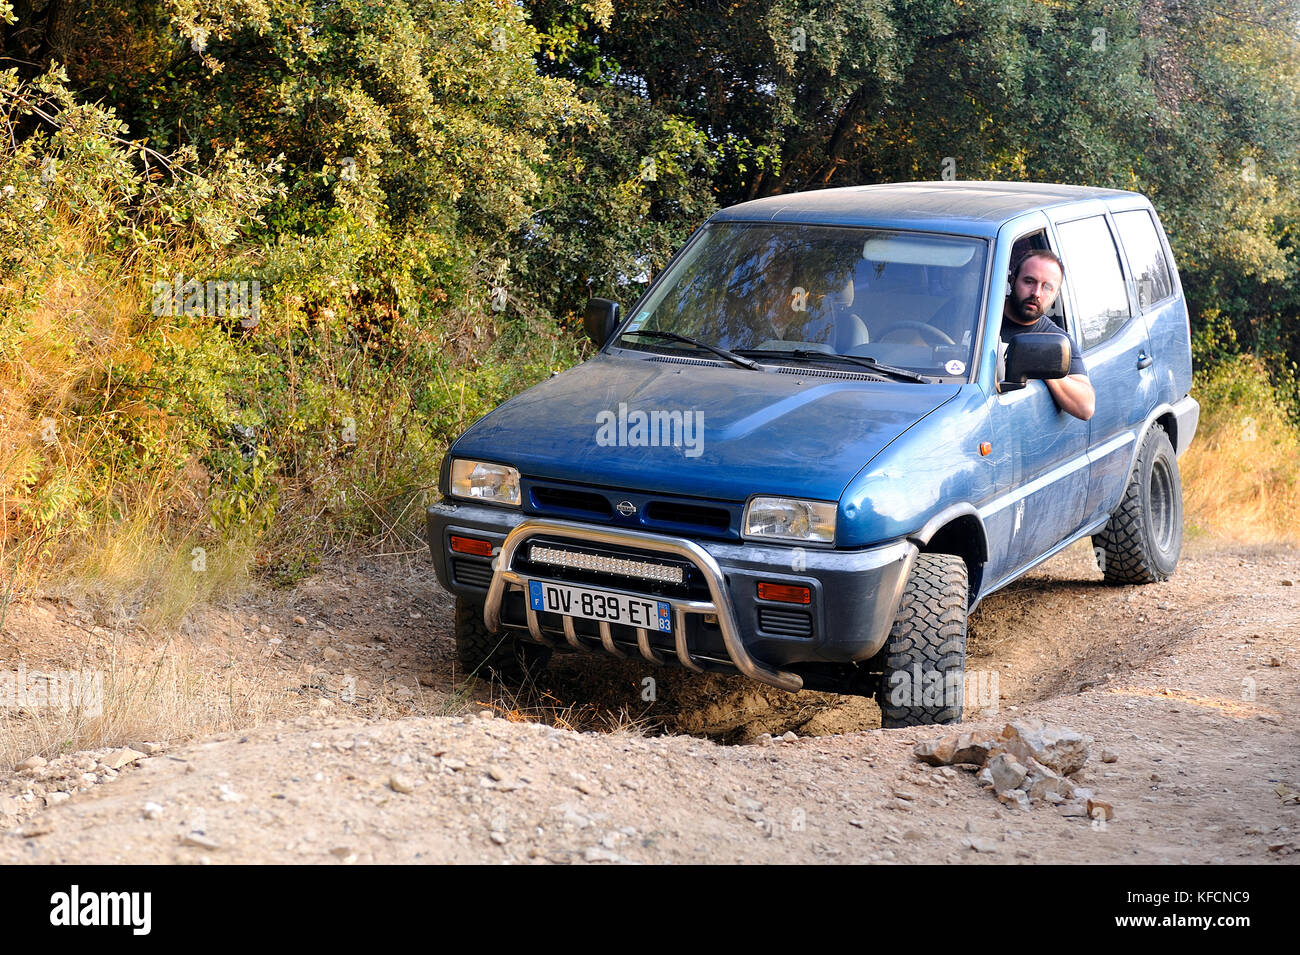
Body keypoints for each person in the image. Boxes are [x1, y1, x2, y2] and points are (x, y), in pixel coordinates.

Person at [1001, 250, 1095, 420]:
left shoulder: (1056, 340)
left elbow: (1085, 407)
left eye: (1047, 287)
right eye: (1029, 281)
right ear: (1012, 281)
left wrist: (1041, 365)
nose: (1036, 293)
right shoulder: (976, 318)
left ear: (1055, 295)